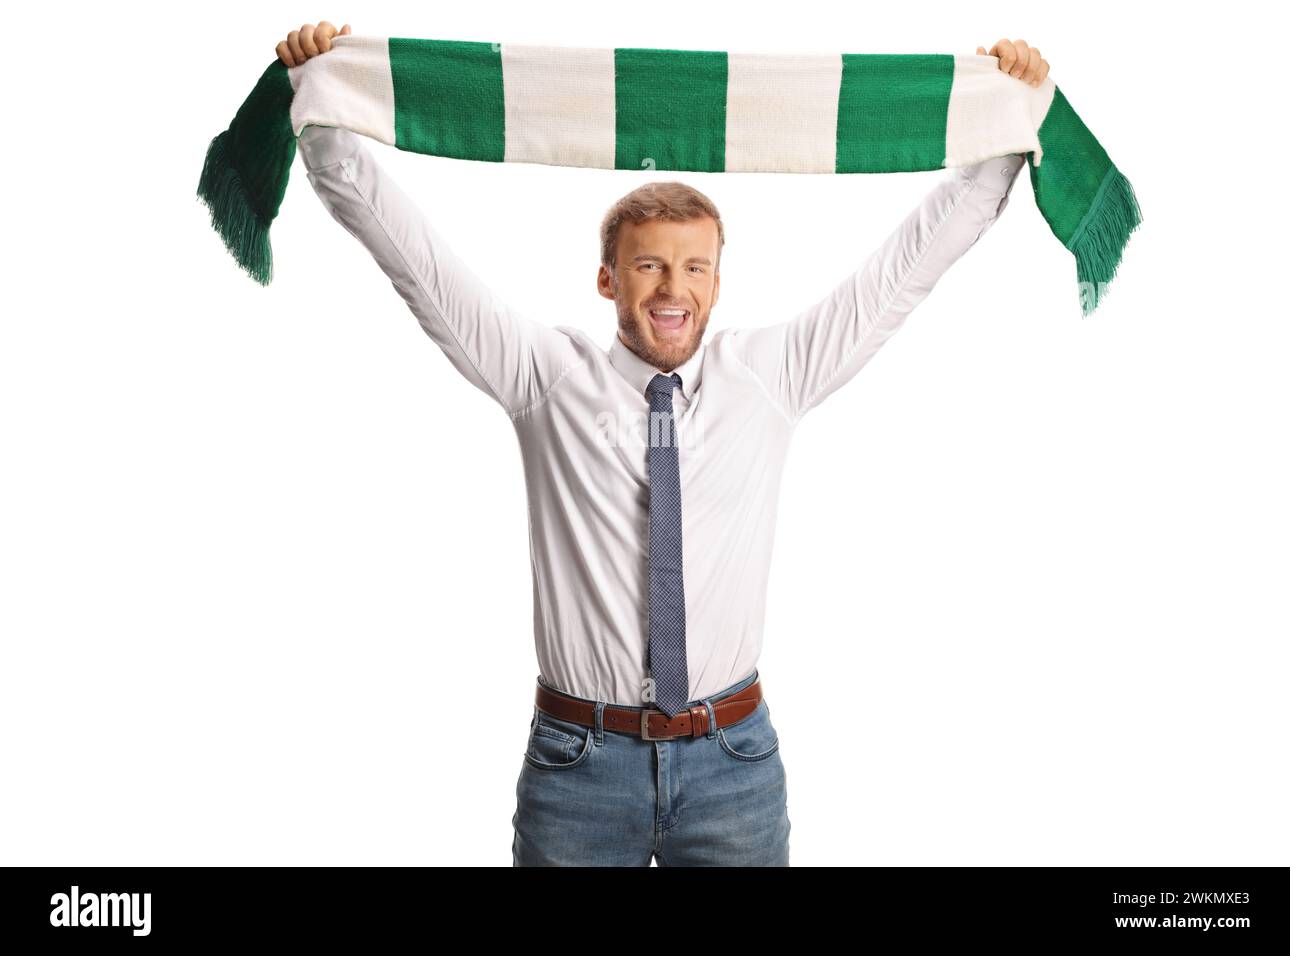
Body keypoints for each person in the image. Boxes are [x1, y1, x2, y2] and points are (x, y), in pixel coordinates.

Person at [275, 22, 1051, 866]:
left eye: (694, 267)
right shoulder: (544, 376)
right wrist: (326, 100)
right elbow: (412, 258)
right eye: (648, 266)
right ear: (609, 278)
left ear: (718, 279)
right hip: (579, 767)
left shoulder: (772, 375)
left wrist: (1003, 129)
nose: (672, 289)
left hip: (733, 761)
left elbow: (910, 266)